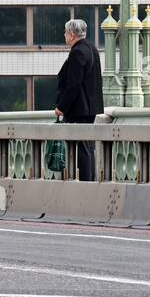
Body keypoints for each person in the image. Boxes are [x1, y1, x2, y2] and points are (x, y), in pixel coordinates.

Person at [54, 18, 105, 181]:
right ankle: (90, 180)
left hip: (79, 108)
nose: (64, 35)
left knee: (82, 147)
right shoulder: (92, 49)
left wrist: (61, 106)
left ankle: (85, 182)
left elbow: (73, 84)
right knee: (88, 146)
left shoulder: (77, 52)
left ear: (71, 34)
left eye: (65, 32)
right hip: (91, 107)